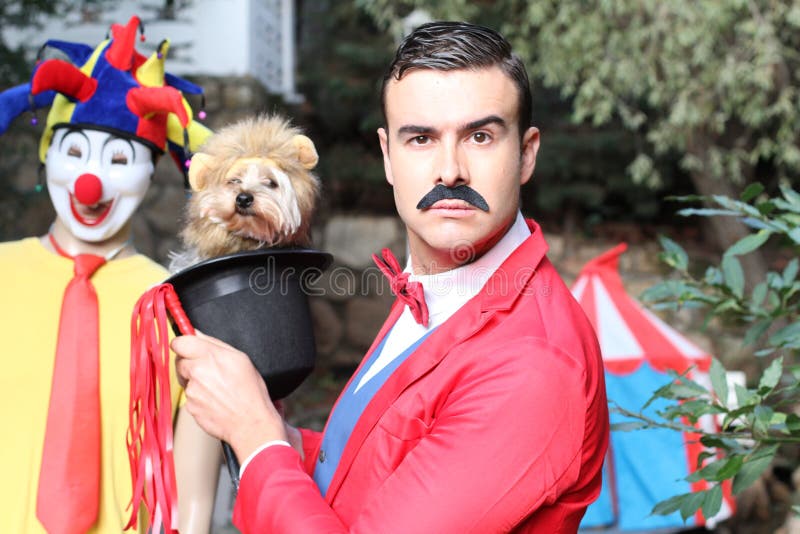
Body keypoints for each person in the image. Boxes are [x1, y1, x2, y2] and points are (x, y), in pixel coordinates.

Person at [173, 21, 609, 533]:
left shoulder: (531, 362)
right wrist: (286, 442)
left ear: (526, 153)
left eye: (481, 136)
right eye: (421, 138)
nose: (450, 171)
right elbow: (385, 471)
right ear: (388, 156)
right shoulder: (437, 289)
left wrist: (257, 439)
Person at [0, 16, 220, 534]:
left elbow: (193, 507)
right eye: (73, 152)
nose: (89, 180)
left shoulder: (178, 306)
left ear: (151, 172)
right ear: (47, 156)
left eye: (118, 158)